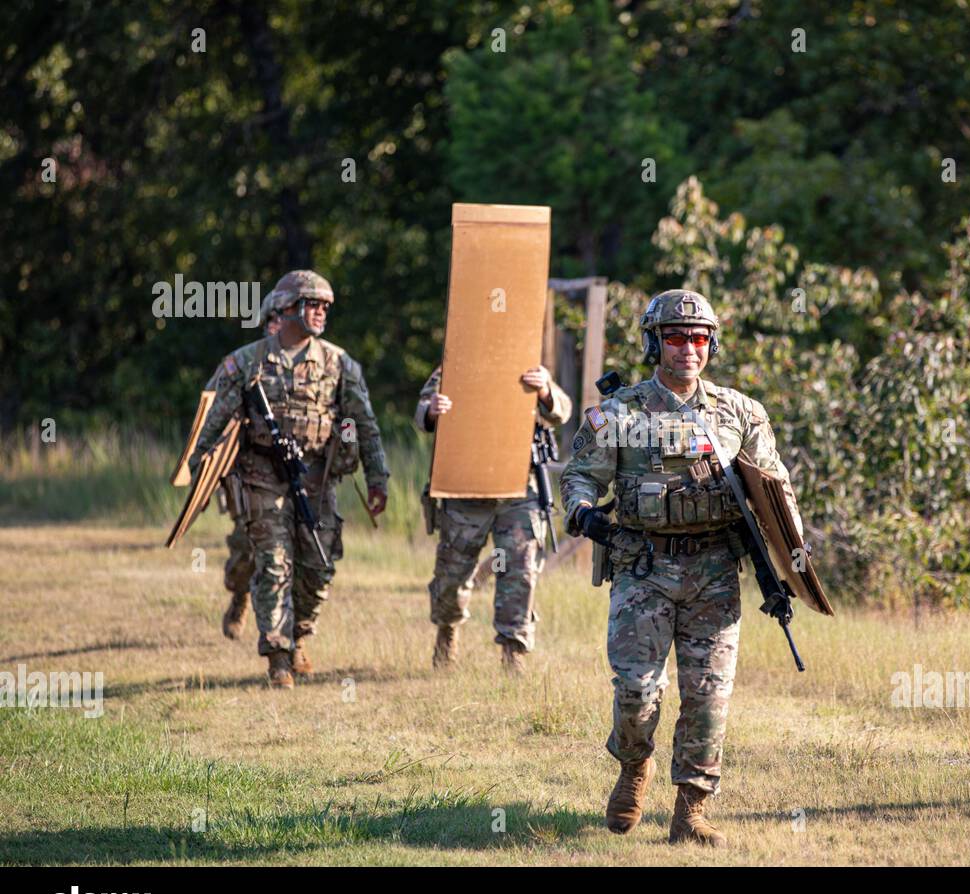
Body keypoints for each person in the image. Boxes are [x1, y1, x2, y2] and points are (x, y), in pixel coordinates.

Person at [561, 288, 801, 847]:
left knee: (709, 695)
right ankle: (633, 766)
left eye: (698, 338)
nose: (688, 348)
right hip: (642, 567)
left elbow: (775, 491)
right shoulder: (620, 413)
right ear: (654, 343)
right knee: (637, 692)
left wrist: (789, 564)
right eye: (675, 337)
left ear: (711, 345)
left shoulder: (742, 413)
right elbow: (580, 477)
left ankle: (690, 809)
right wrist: (582, 513)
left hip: (716, 571)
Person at [189, 270, 388, 688]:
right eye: (312, 304)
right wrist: (200, 476)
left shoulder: (338, 363)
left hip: (317, 480)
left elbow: (363, 425)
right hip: (262, 478)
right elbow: (210, 424)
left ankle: (300, 636)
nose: (320, 313)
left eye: (324, 307)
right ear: (286, 309)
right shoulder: (246, 362)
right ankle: (278, 657)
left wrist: (377, 480)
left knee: (318, 566)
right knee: (274, 563)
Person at [414, 364, 572, 673]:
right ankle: (448, 631)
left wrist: (545, 390)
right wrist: (432, 411)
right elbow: (421, 413)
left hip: (517, 489)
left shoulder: (528, 365)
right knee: (452, 573)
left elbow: (561, 412)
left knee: (520, 569)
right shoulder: (457, 362)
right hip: (465, 489)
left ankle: (513, 651)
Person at [217, 293, 281, 639]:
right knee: (246, 551)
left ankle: (286, 637)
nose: (277, 327)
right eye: (272, 321)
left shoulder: (311, 365)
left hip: (290, 476)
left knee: (285, 556)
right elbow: (215, 415)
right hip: (249, 474)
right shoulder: (245, 364)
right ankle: (240, 594)